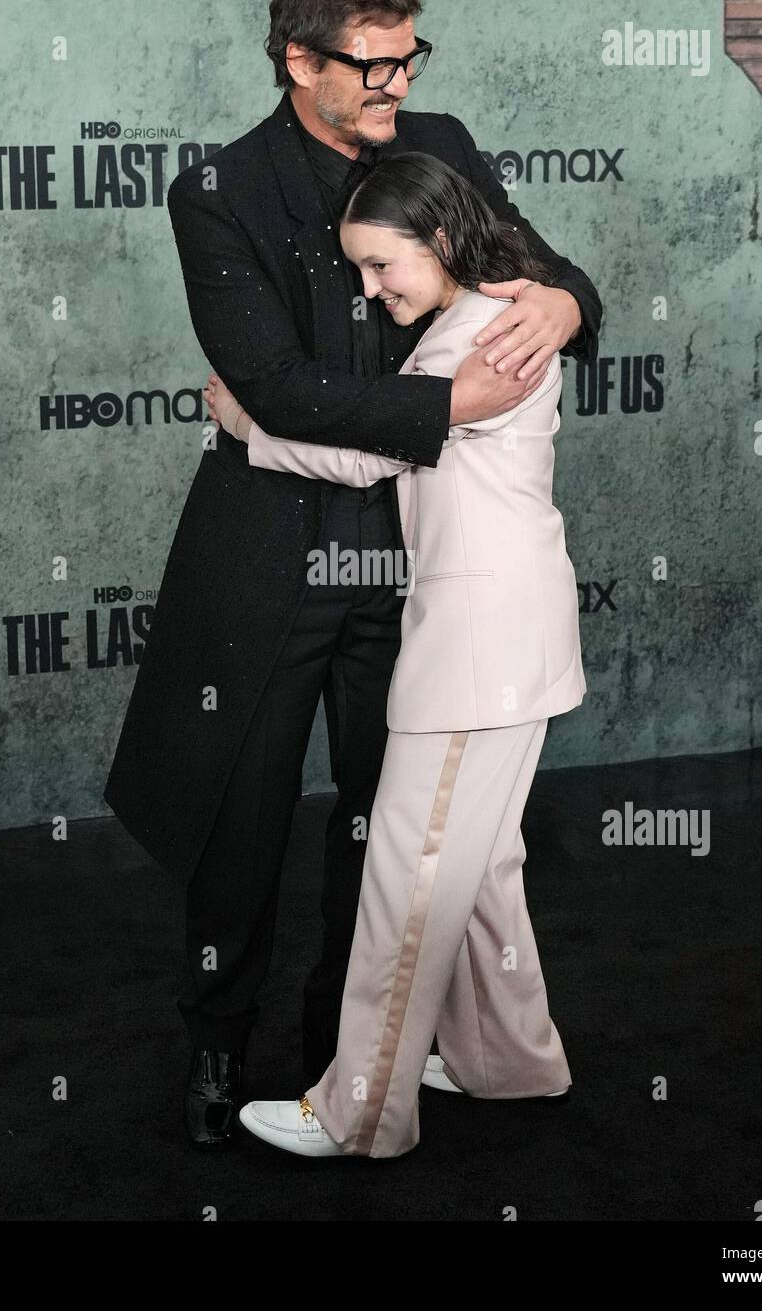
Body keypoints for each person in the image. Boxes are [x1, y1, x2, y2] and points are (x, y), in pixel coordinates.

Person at [102, 0, 602, 1147]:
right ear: (299, 62)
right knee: (242, 812)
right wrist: (449, 405)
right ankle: (218, 1050)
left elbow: (538, 268)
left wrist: (570, 304)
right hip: (267, 554)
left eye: (405, 58)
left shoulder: (436, 140)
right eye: (371, 66)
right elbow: (280, 390)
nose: (396, 84)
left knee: (395, 826)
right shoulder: (216, 191)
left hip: (415, 567)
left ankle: (351, 1054)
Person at [204, 147, 585, 1159]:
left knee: (409, 877)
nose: (371, 292)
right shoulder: (474, 322)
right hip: (504, 637)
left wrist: (246, 422)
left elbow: (371, 448)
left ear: (440, 239)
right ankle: (509, 1061)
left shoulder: (483, 340)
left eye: (382, 267)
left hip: (477, 648)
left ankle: (360, 1112)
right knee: (480, 866)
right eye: (360, 272)